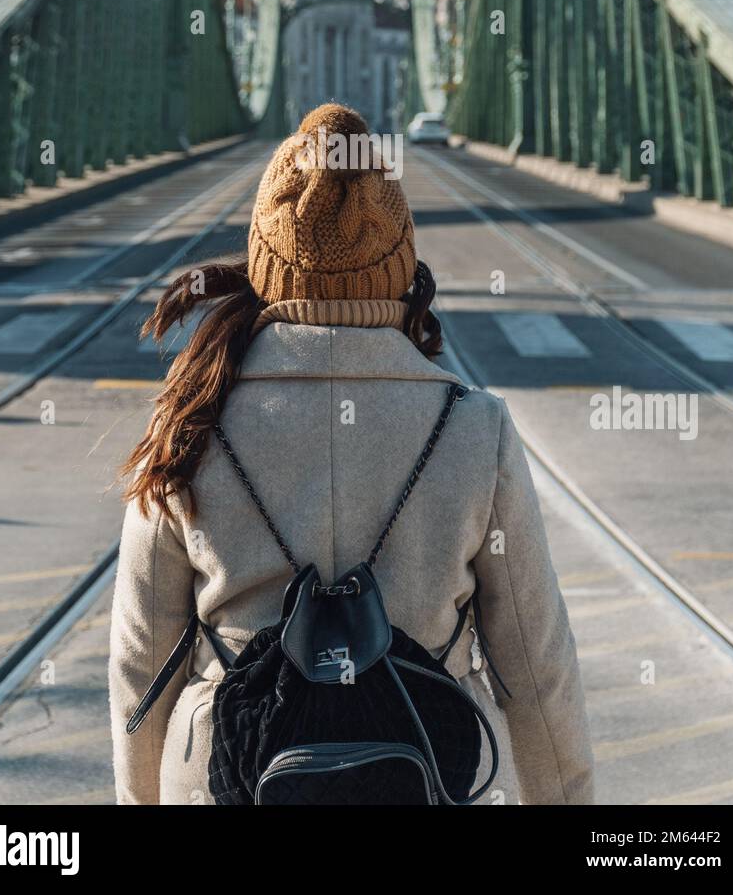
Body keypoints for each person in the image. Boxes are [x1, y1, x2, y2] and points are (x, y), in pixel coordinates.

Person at [108, 102, 594, 805]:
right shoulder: (472, 426)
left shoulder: (190, 421)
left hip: (227, 780)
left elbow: (141, 669)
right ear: (398, 269)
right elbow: (534, 664)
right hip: (427, 771)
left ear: (264, 267)